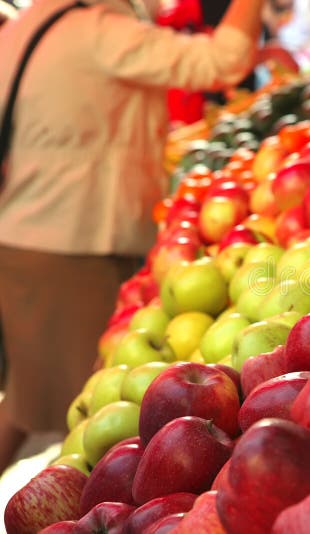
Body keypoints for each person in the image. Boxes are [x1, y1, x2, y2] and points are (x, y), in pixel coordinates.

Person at [0, 0, 264, 473]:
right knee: (84, 417)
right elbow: (225, 60)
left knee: (32, 398)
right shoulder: (99, 32)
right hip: (73, 247)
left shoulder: (25, 29)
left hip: (28, 236)